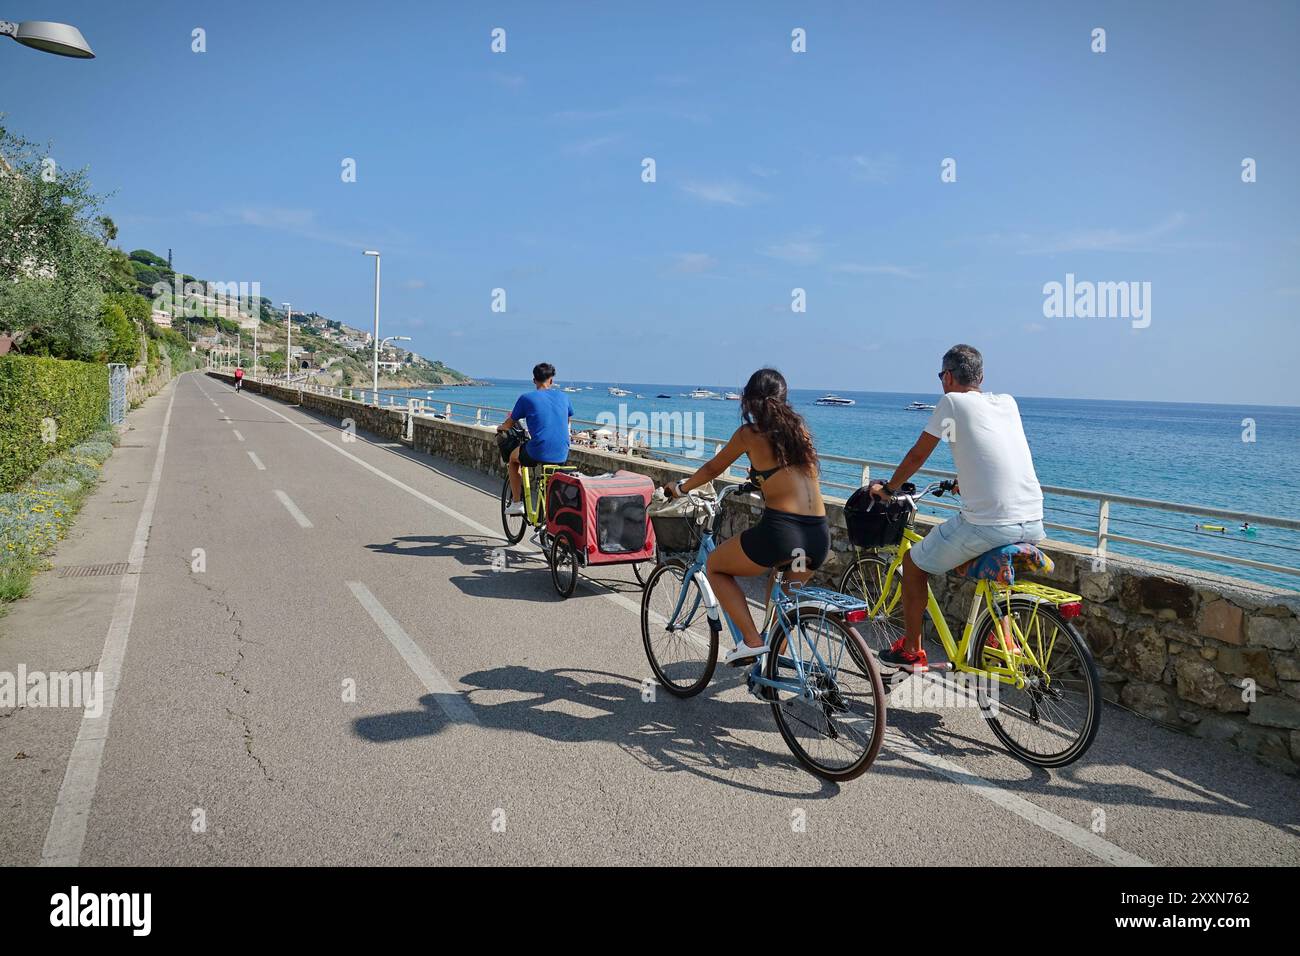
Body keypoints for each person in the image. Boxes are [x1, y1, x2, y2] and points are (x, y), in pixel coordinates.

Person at [871, 344, 1044, 671]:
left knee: (913, 563)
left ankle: (911, 650)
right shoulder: (1007, 402)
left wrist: (889, 488)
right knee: (980, 556)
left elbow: (917, 455)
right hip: (1033, 519)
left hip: (992, 523)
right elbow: (994, 453)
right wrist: (966, 482)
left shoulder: (951, 402)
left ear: (948, 376)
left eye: (941, 376)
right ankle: (1001, 637)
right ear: (981, 376)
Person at [664, 368, 829, 665]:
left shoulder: (748, 435)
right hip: (816, 537)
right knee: (782, 598)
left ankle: (752, 642)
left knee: (715, 566)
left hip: (783, 533)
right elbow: (788, 473)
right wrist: (760, 478)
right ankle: (772, 671)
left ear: (748, 400)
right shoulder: (798, 432)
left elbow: (713, 470)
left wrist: (681, 487)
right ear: (784, 398)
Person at [497, 363, 574, 515]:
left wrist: (500, 429)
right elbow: (567, 420)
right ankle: (548, 515)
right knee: (551, 479)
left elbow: (509, 424)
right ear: (551, 380)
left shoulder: (526, 398)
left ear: (534, 380)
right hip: (563, 450)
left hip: (538, 448)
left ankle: (517, 503)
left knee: (513, 459)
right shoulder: (564, 396)